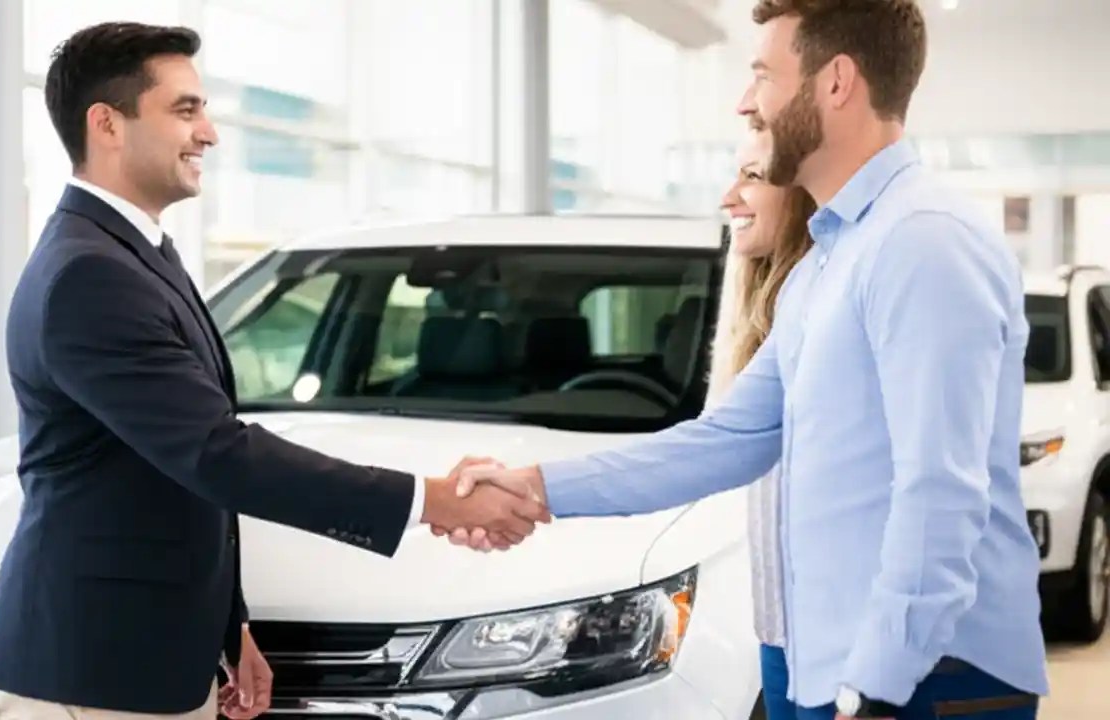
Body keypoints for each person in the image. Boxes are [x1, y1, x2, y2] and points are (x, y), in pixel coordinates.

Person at [444, 1, 1050, 718]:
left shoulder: (923, 241)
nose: (745, 101)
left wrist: (879, 690)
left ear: (835, 82)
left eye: (763, 74)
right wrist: (532, 485)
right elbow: (726, 440)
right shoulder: (826, 265)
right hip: (842, 668)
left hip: (925, 676)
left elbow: (943, 492)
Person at [0, 21, 547, 720]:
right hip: (91, 672)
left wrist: (226, 626)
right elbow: (216, 452)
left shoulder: (136, 253)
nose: (210, 133)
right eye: (186, 109)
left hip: (150, 656)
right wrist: (436, 499)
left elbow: (173, 473)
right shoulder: (90, 274)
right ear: (108, 124)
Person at [713, 130, 815, 720]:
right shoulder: (759, 325)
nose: (729, 197)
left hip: (844, 650)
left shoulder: (836, 309)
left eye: (751, 175)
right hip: (776, 630)